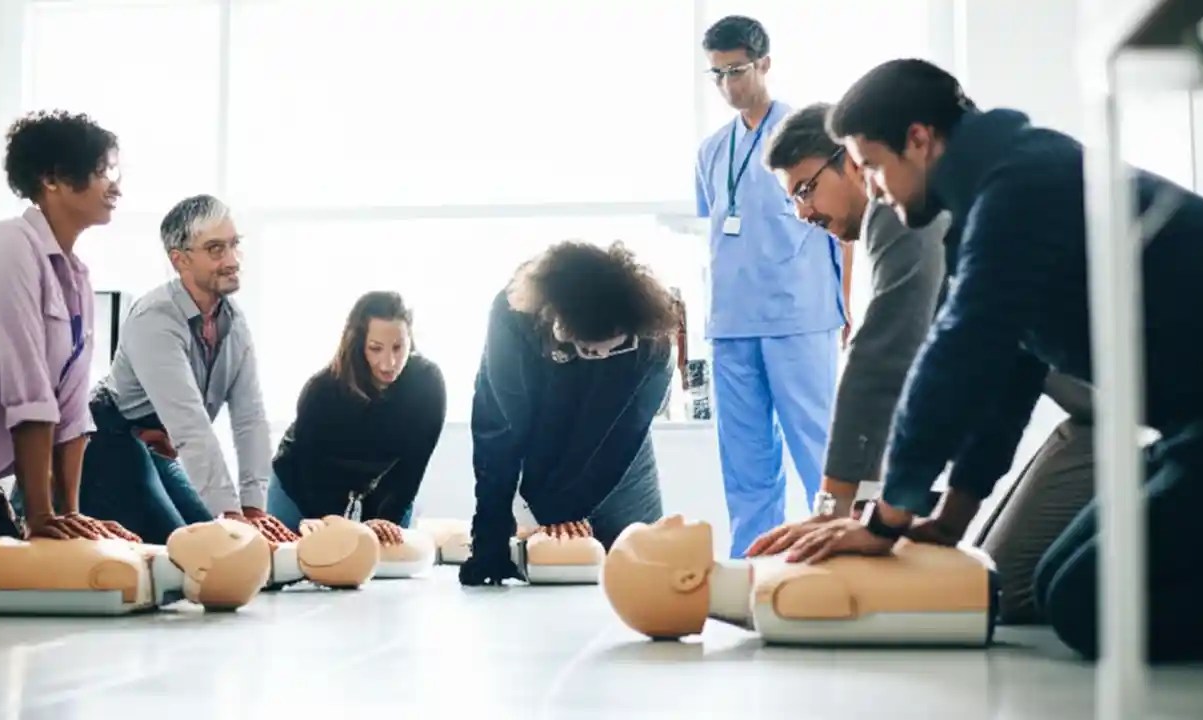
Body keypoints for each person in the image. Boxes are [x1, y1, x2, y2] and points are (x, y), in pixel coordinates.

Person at [785, 58, 1203, 662]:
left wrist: (886, 520)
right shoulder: (992, 201)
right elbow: (1008, 376)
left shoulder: (1021, 183)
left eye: (873, 167)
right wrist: (951, 517)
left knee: (1086, 604)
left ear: (919, 139)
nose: (874, 188)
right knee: (1052, 583)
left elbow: (960, 354)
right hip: (1194, 428)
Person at [747, 102, 1097, 624]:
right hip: (1093, 417)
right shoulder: (927, 221)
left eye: (804, 189)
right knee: (990, 578)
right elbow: (947, 378)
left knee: (1015, 593)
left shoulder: (900, 207)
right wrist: (893, 511)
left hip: (1142, 414)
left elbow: (883, 353)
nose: (803, 213)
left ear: (850, 162)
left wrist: (836, 511)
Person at [0, 110, 139, 609]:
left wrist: (67, 516)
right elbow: (27, 395)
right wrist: (41, 515)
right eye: (100, 172)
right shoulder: (7, 247)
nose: (113, 186)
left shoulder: (75, 274)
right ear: (52, 179)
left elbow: (71, 409)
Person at [695, 16, 850, 558]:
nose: (727, 85)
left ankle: (838, 556)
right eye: (716, 74)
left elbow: (845, 227)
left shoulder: (808, 139)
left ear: (764, 63)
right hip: (731, 323)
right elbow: (716, 232)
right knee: (745, 463)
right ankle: (753, 566)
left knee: (819, 453)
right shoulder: (711, 151)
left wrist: (849, 304)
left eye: (736, 70)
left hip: (798, 318)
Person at [78, 194, 295, 545]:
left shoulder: (234, 322)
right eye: (215, 249)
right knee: (190, 548)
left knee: (221, 540)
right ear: (179, 260)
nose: (232, 260)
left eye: (234, 245)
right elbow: (190, 426)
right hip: (110, 440)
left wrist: (253, 509)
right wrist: (231, 515)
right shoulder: (156, 318)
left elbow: (250, 418)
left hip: (159, 446)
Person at [460, 241, 679, 586]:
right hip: (539, 441)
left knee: (647, 572)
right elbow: (498, 427)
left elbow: (623, 435)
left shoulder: (652, 341)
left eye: (614, 346)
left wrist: (564, 508)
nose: (601, 354)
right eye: (588, 350)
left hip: (619, 456)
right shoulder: (513, 317)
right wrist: (491, 530)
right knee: (563, 568)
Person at [268, 291, 446, 547]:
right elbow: (309, 469)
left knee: (382, 559)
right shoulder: (322, 390)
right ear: (358, 343)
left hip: (378, 484)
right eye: (376, 349)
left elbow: (411, 469)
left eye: (398, 347)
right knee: (295, 561)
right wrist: (335, 524)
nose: (389, 363)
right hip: (300, 486)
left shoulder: (428, 384)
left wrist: (384, 519)